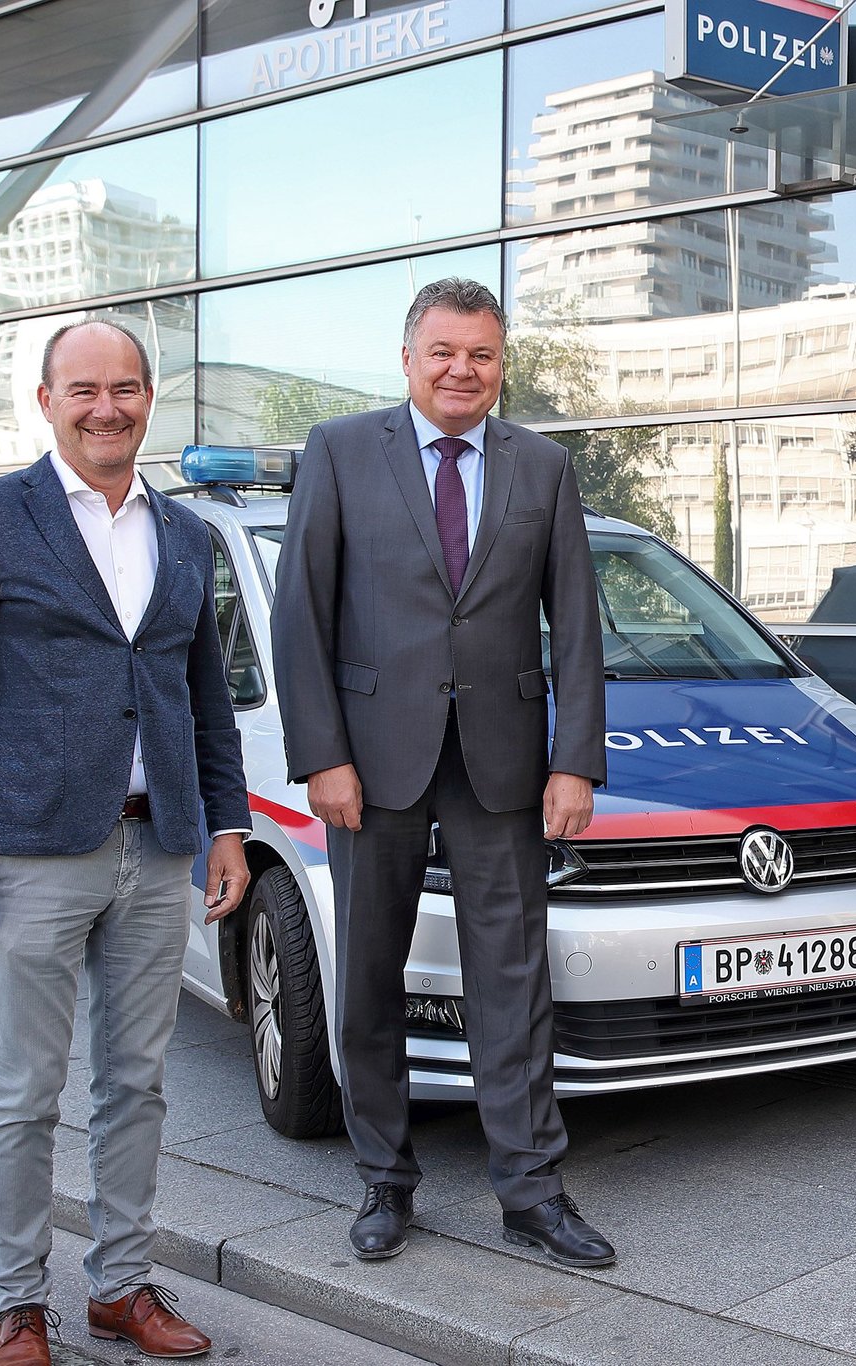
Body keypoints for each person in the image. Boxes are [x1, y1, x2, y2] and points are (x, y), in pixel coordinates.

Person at [0, 320, 251, 1365]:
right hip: (28, 849)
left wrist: (225, 823)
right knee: (24, 1088)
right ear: (49, 401)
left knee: (135, 1082)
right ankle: (17, 1299)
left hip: (156, 850)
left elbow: (205, 698)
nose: (108, 407)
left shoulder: (186, 535)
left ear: (151, 399)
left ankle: (119, 1285)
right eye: (85, 389)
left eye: (127, 388)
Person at [272, 278, 612, 1266]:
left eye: (482, 355)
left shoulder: (541, 466)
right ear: (409, 357)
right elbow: (302, 618)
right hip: (369, 765)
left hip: (503, 762)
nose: (463, 370)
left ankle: (531, 1187)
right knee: (369, 973)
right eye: (445, 352)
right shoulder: (340, 450)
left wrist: (574, 759)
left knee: (513, 979)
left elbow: (576, 622)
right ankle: (384, 1179)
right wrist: (321, 755)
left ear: (501, 364)